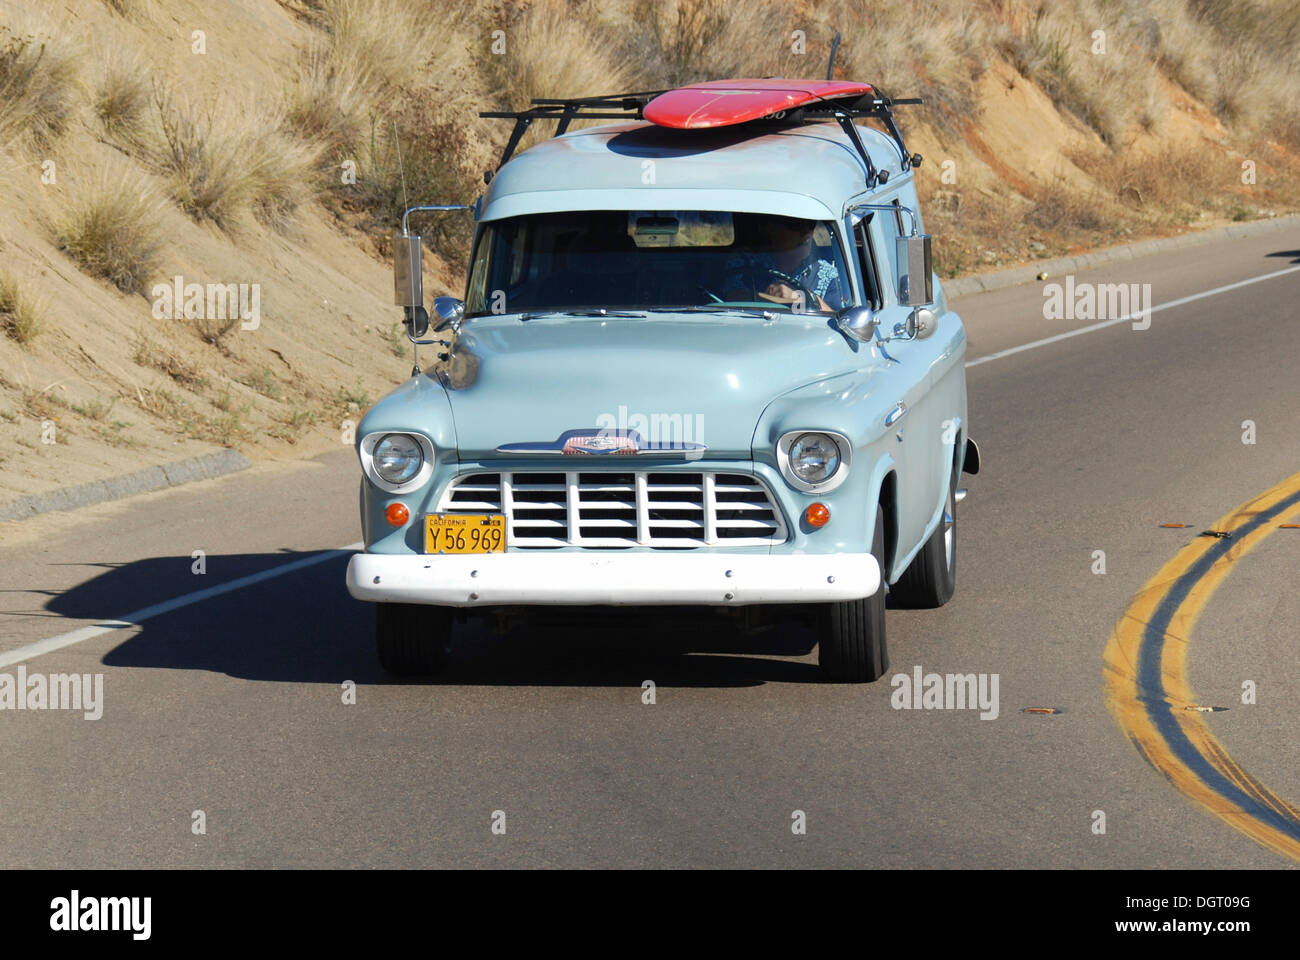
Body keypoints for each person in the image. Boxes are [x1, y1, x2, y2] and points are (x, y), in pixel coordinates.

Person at [722, 216, 844, 312]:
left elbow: (839, 321)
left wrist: (800, 298)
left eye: (781, 224)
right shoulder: (746, 260)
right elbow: (733, 297)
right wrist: (774, 299)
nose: (769, 230)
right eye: (768, 223)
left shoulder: (830, 277)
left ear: (807, 232)